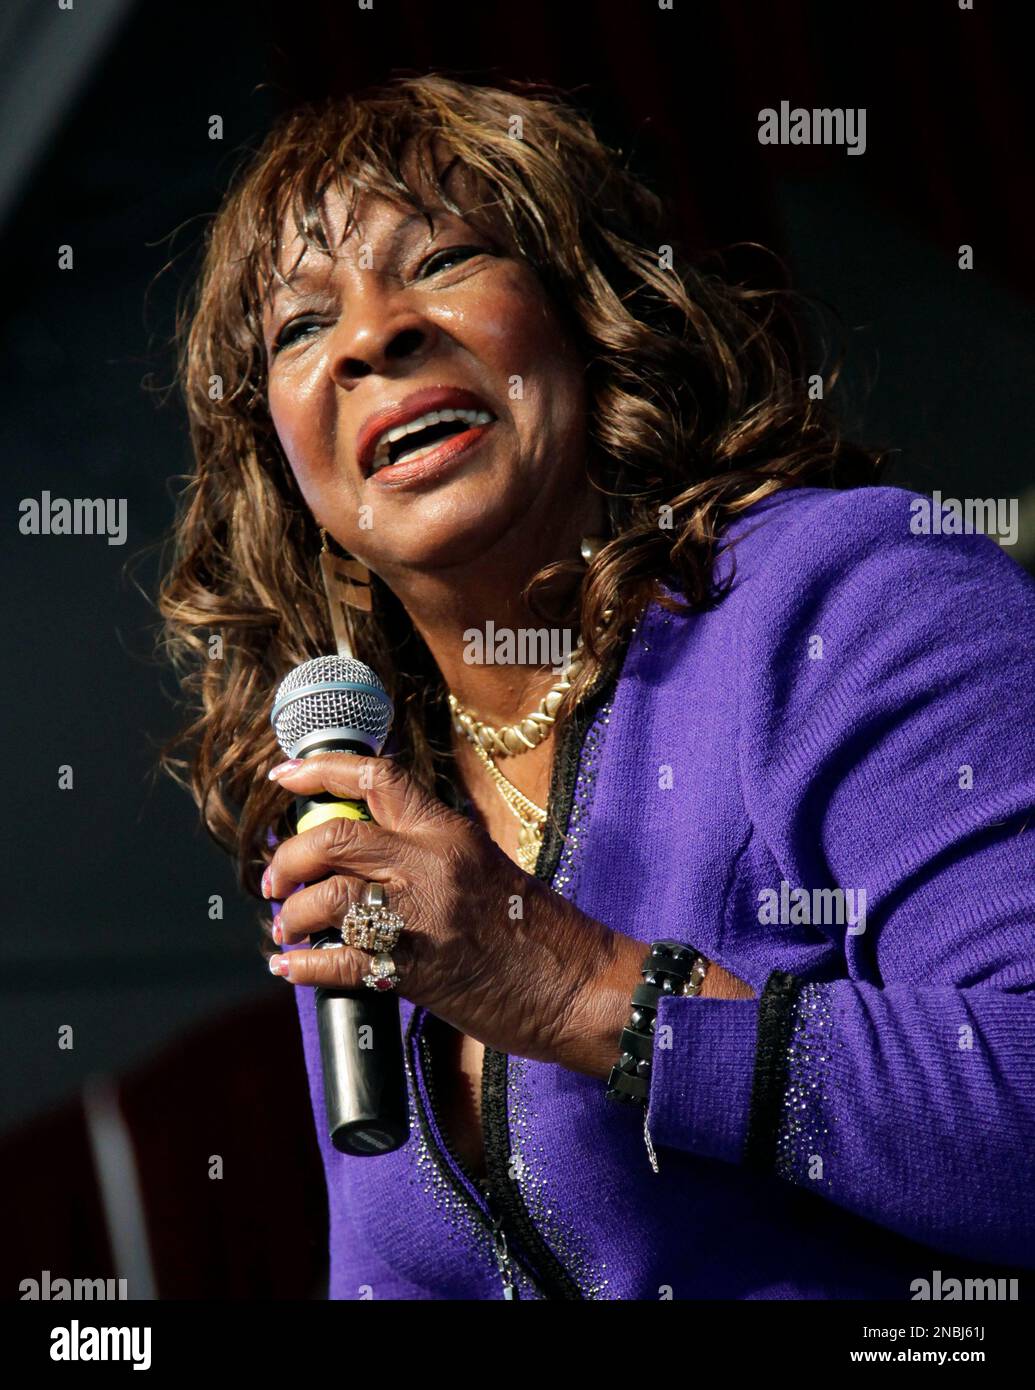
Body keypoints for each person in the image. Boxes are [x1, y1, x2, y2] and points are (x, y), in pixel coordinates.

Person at [159, 74, 1035, 1299]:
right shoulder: (350, 802)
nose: (370, 335)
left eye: (444, 258)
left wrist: (565, 985)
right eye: (303, 327)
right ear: (278, 457)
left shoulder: (848, 600)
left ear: (586, 308)